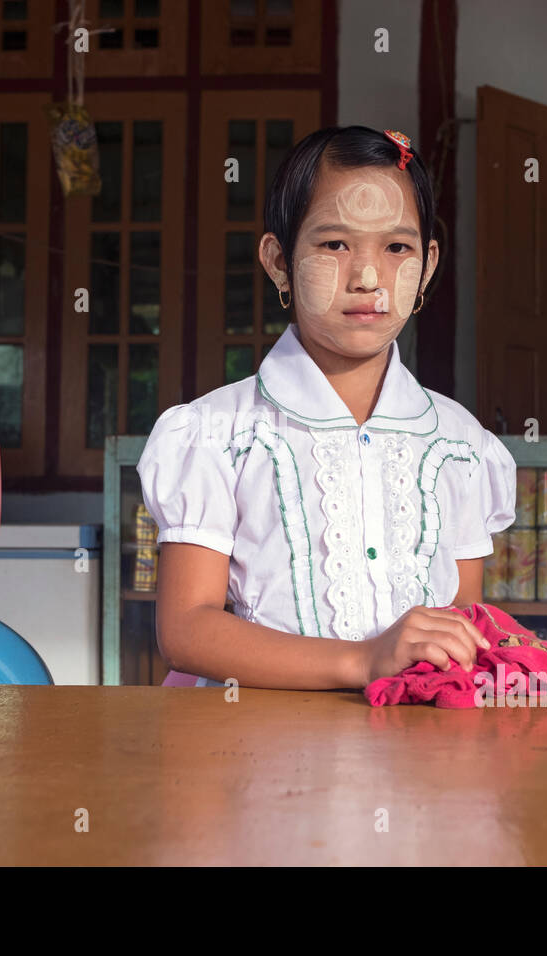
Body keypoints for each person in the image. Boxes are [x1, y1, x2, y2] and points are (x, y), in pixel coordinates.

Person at [136, 126, 516, 690]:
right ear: (279, 261)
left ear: (427, 267)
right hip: (249, 756)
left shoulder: (459, 443)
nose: (367, 278)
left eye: (397, 248)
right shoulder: (217, 433)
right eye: (334, 245)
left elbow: (461, 620)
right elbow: (186, 631)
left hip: (414, 759)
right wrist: (362, 661)